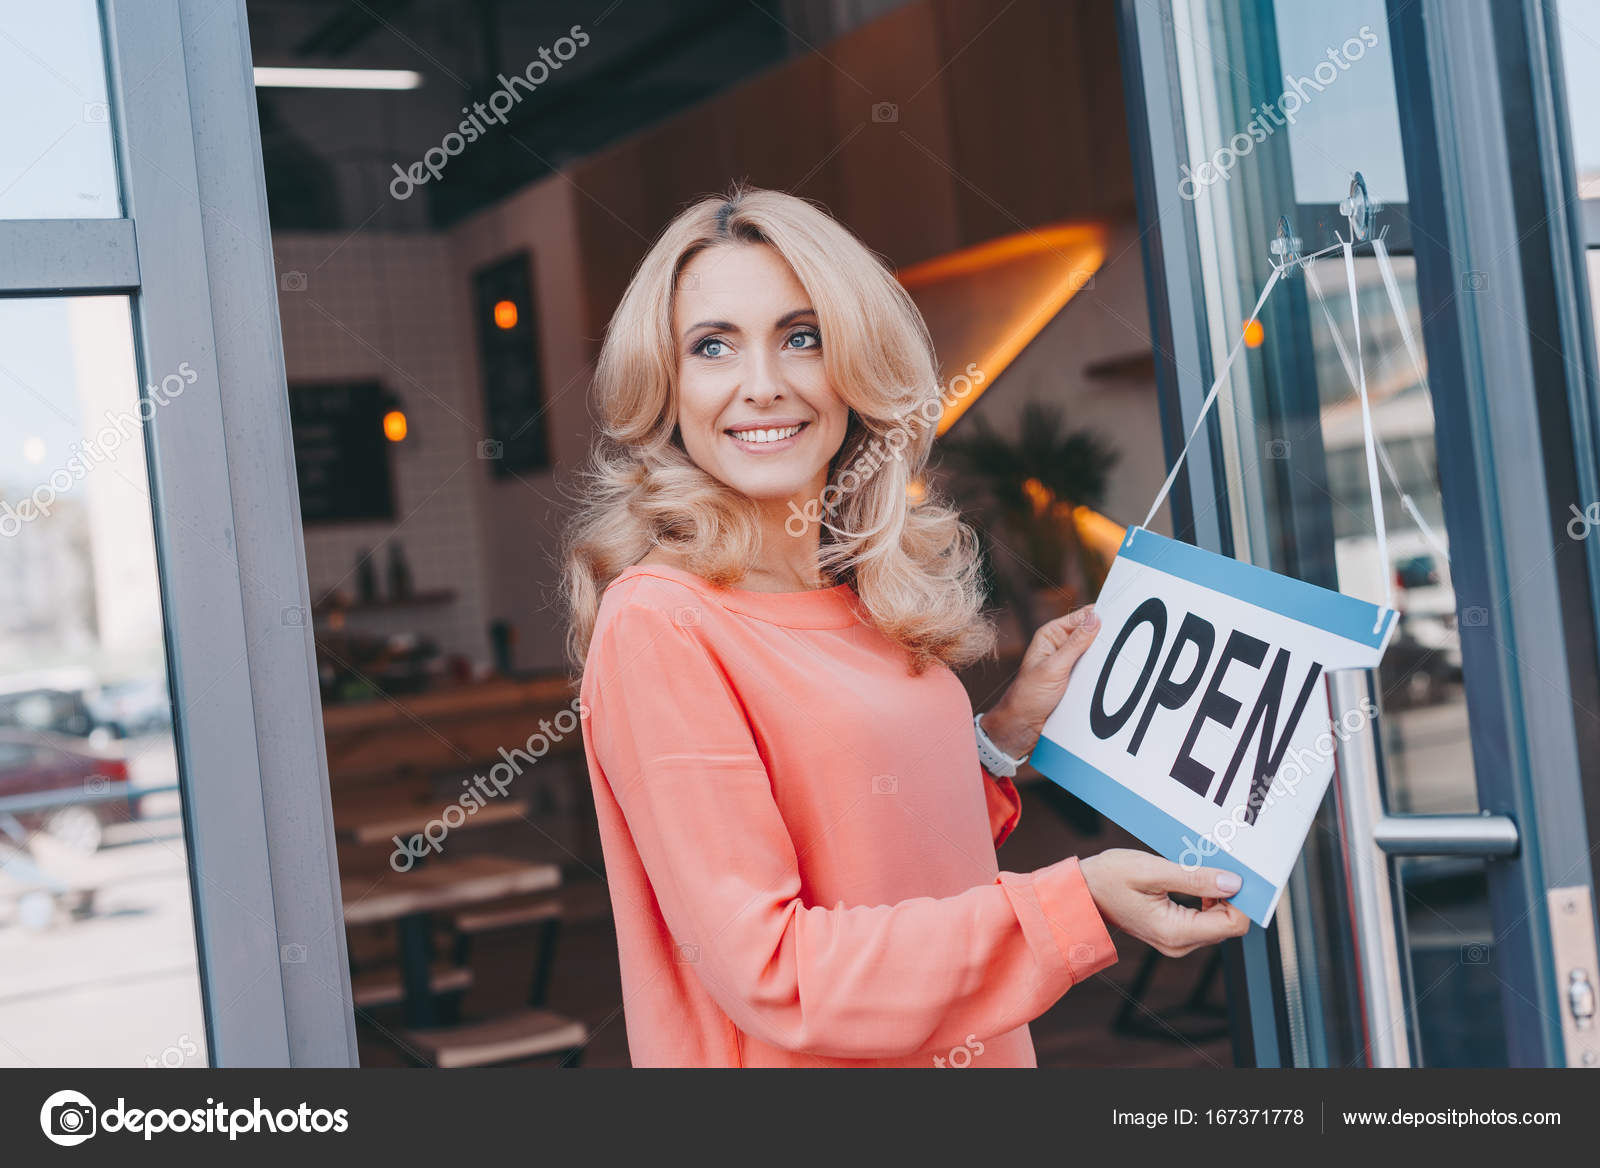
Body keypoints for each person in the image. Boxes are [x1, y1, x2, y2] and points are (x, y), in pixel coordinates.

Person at [563, 186, 1249, 1068]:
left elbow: (883, 845)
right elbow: (775, 972)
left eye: (802, 338)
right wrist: (1078, 900)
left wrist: (1005, 736)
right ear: (666, 388)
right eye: (713, 346)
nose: (762, 384)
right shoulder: (661, 625)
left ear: (855, 365)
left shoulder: (857, 591)